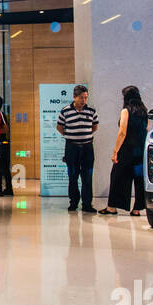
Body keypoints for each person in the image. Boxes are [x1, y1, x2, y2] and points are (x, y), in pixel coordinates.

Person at [101, 85, 147, 216]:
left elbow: (122, 132)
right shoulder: (144, 111)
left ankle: (112, 207)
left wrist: (115, 151)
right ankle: (137, 209)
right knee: (138, 180)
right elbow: (145, 129)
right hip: (140, 150)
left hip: (127, 150)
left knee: (117, 177)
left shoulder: (126, 111)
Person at [57, 84, 99, 213]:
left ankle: (87, 204)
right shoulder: (65, 111)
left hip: (87, 147)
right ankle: (73, 202)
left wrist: (84, 135)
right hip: (72, 148)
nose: (84, 100)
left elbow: (95, 126)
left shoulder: (91, 110)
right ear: (74, 97)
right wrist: (70, 135)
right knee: (73, 176)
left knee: (87, 176)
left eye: (85, 98)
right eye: (81, 98)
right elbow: (59, 127)